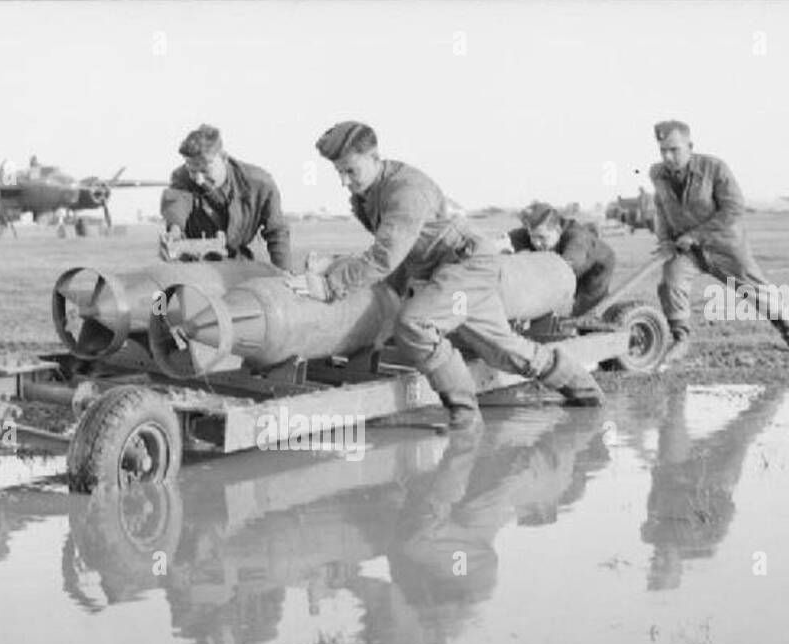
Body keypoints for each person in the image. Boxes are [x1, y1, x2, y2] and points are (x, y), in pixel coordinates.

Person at [313, 120, 604, 431]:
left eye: (350, 171)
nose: (344, 181)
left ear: (374, 157)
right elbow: (401, 252)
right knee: (502, 350)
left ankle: (464, 415)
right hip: (448, 273)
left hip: (466, 267)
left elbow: (386, 257)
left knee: (416, 323)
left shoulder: (405, 190)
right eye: (339, 173)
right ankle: (587, 393)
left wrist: (331, 285)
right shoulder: (367, 195)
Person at [650, 120, 789, 364]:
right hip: (687, 250)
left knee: (753, 287)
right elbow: (661, 208)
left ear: (690, 146)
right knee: (671, 281)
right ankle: (681, 339)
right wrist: (664, 240)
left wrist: (695, 236)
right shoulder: (658, 173)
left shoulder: (714, 168)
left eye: (674, 150)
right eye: (663, 150)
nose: (668, 156)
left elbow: (734, 208)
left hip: (725, 245)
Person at [159, 124, 292, 269]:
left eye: (204, 170)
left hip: (240, 264)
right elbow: (176, 205)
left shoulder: (260, 183)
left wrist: (284, 276)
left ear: (224, 158)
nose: (198, 179)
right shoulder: (181, 177)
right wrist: (174, 234)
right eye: (192, 170)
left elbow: (277, 232)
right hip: (195, 267)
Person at [508, 203, 616, 316]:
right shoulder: (531, 231)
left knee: (582, 315)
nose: (536, 243)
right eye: (532, 236)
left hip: (594, 268)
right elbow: (499, 244)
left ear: (558, 230)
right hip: (564, 261)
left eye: (542, 237)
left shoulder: (577, 238)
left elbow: (566, 267)